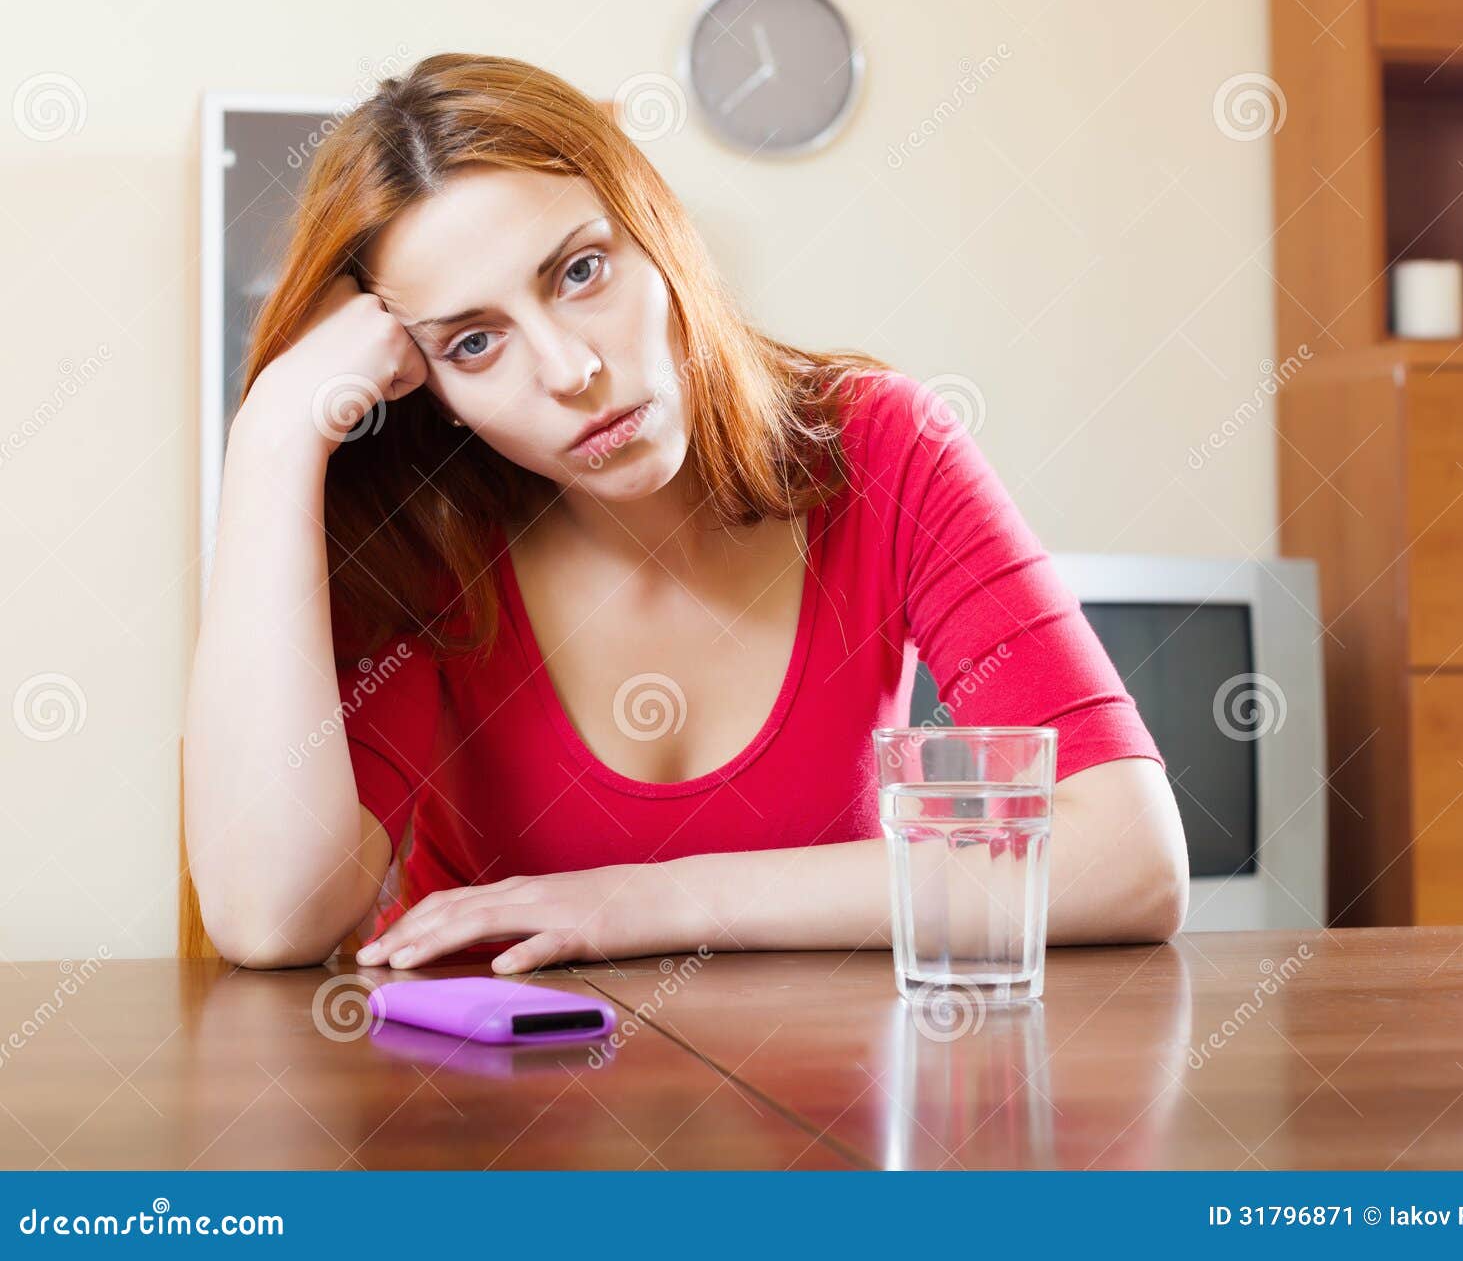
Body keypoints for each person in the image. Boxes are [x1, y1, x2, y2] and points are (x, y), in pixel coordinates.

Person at [182, 53, 1189, 973]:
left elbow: (1129, 858)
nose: (572, 371)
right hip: (492, 1142)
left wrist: (646, 901)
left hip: (812, 1143)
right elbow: (272, 918)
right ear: (426, 385)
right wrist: (274, 433)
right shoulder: (426, 533)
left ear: (657, 235)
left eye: (581, 272)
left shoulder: (878, 447)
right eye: (474, 344)